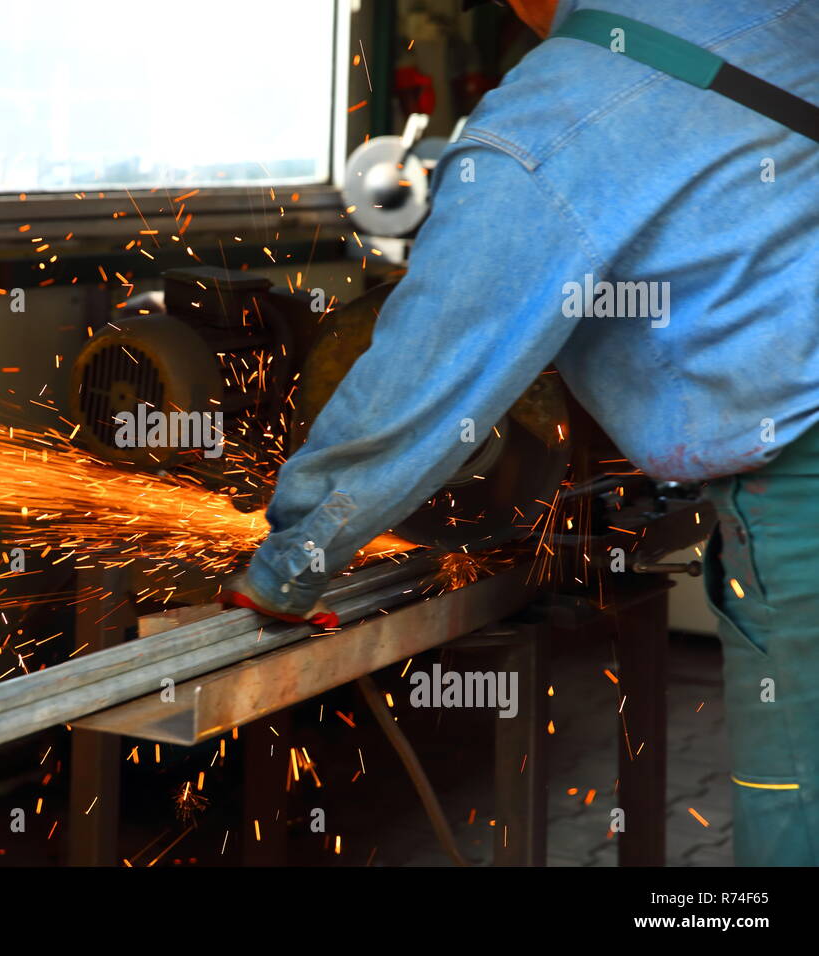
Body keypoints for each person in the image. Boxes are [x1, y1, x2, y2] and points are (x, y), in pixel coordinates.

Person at [222, 0, 819, 865]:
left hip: (803, 487)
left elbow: (428, 369)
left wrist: (291, 558)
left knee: (798, 804)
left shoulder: (552, 115)